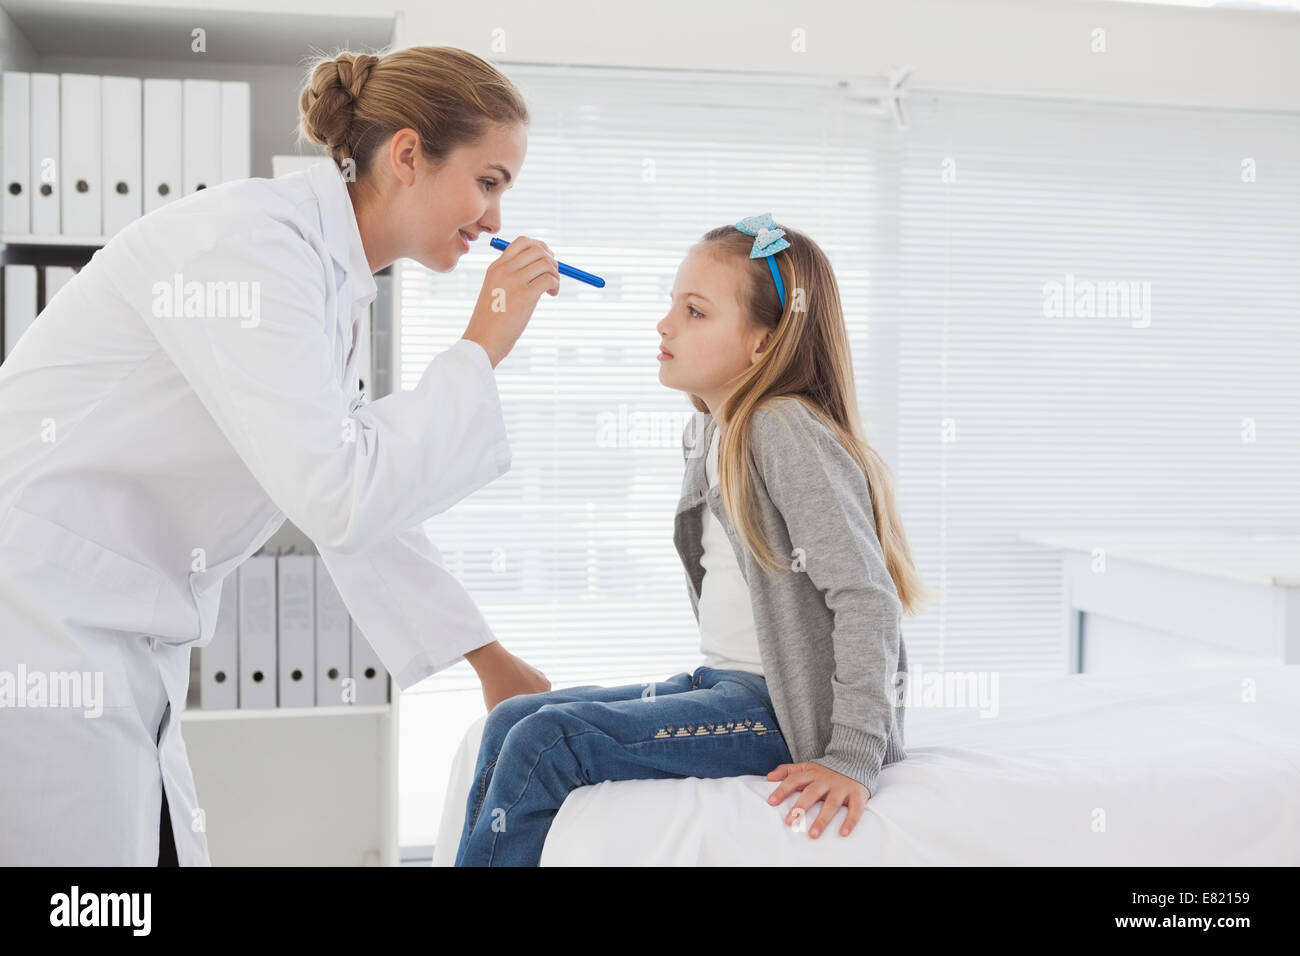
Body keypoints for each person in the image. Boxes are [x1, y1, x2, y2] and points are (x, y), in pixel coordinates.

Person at [0, 45, 556, 866]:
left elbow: (351, 491)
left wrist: (489, 660)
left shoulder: (326, 281)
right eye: (488, 181)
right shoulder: (254, 246)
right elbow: (337, 492)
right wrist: (479, 348)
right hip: (41, 616)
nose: (496, 219)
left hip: (113, 628)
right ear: (408, 155)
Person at [454, 214, 931, 866]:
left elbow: (866, 596)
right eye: (672, 305)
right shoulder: (713, 432)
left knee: (549, 740)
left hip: (783, 712)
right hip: (726, 685)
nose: (665, 324)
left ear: (763, 344)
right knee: (516, 717)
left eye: (696, 311)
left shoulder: (781, 428)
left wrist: (851, 755)